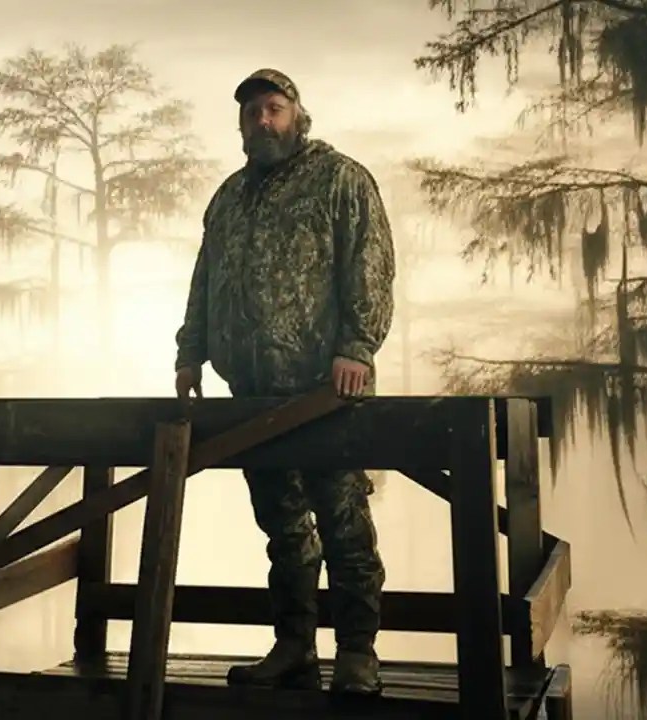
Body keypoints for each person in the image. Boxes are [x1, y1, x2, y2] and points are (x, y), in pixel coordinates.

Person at [172, 68, 395, 695]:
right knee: (282, 525)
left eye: (273, 109)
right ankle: (295, 646)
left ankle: (357, 653)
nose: (262, 121)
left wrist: (356, 347)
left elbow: (371, 265)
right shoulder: (229, 197)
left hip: (327, 392)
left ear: (298, 114)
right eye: (251, 114)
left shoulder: (340, 180)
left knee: (343, 520)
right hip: (253, 395)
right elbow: (205, 278)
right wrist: (191, 351)